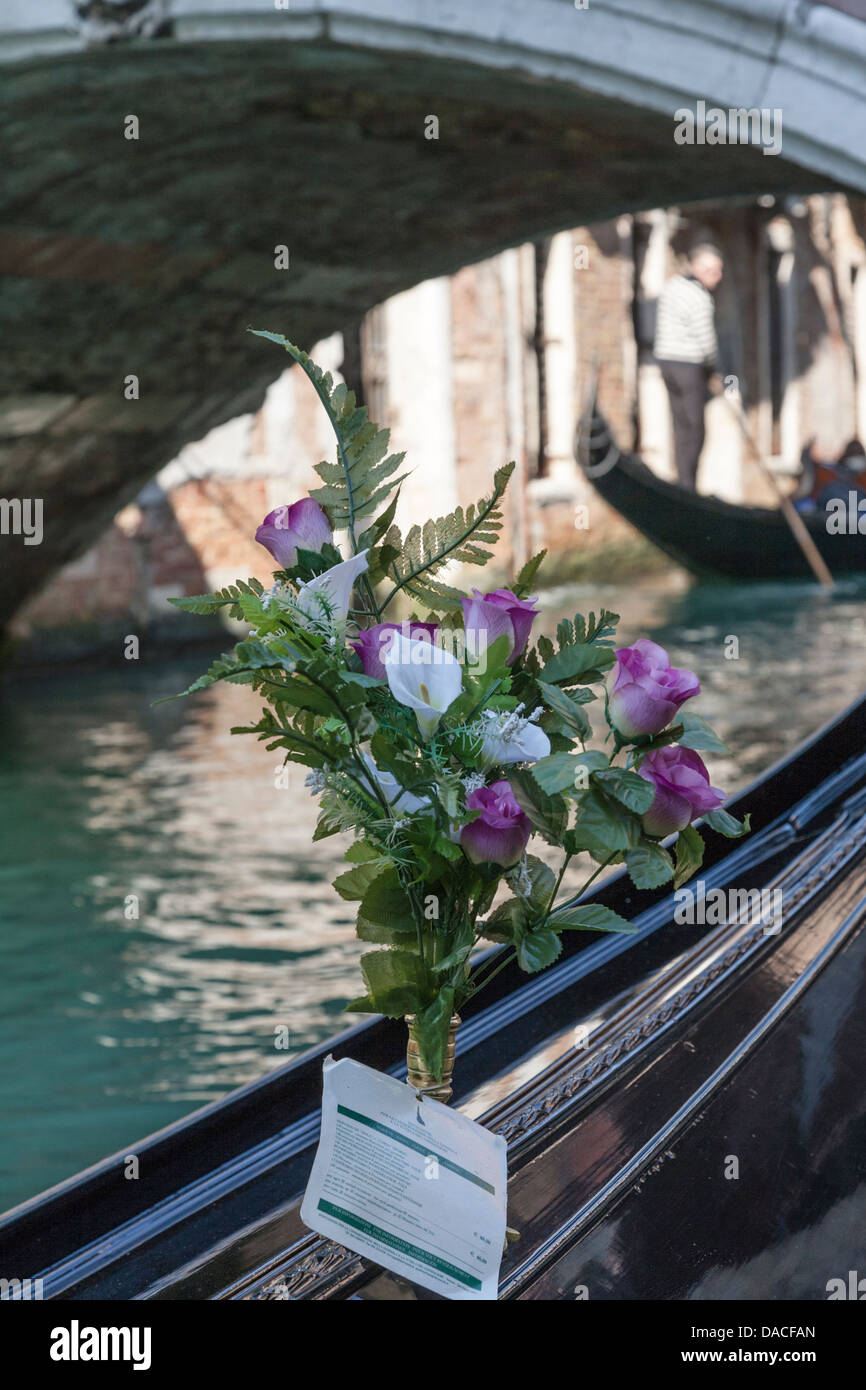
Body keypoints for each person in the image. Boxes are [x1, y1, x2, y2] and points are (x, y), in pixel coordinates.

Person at [654, 244, 724, 491]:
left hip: (666, 363)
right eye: (713, 271)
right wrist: (714, 368)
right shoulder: (700, 297)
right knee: (695, 427)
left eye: (718, 271)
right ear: (696, 267)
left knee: (680, 422)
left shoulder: (671, 286)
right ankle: (688, 484)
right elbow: (706, 341)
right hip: (689, 365)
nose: (718, 276)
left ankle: (683, 480)